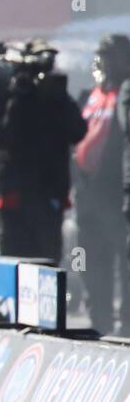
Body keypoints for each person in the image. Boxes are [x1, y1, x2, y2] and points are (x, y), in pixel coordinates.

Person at [0, 38, 86, 264]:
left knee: (47, 264)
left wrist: (57, 100)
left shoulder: (56, 93)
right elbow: (5, 135)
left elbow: (78, 131)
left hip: (48, 196)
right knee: (15, 261)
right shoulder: (3, 94)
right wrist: (19, 95)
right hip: (15, 196)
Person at [74, 34, 130, 332]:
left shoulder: (126, 93)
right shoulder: (90, 94)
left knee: (124, 262)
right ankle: (99, 323)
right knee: (93, 263)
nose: (104, 63)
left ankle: (126, 327)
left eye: (110, 56)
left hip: (115, 194)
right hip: (88, 194)